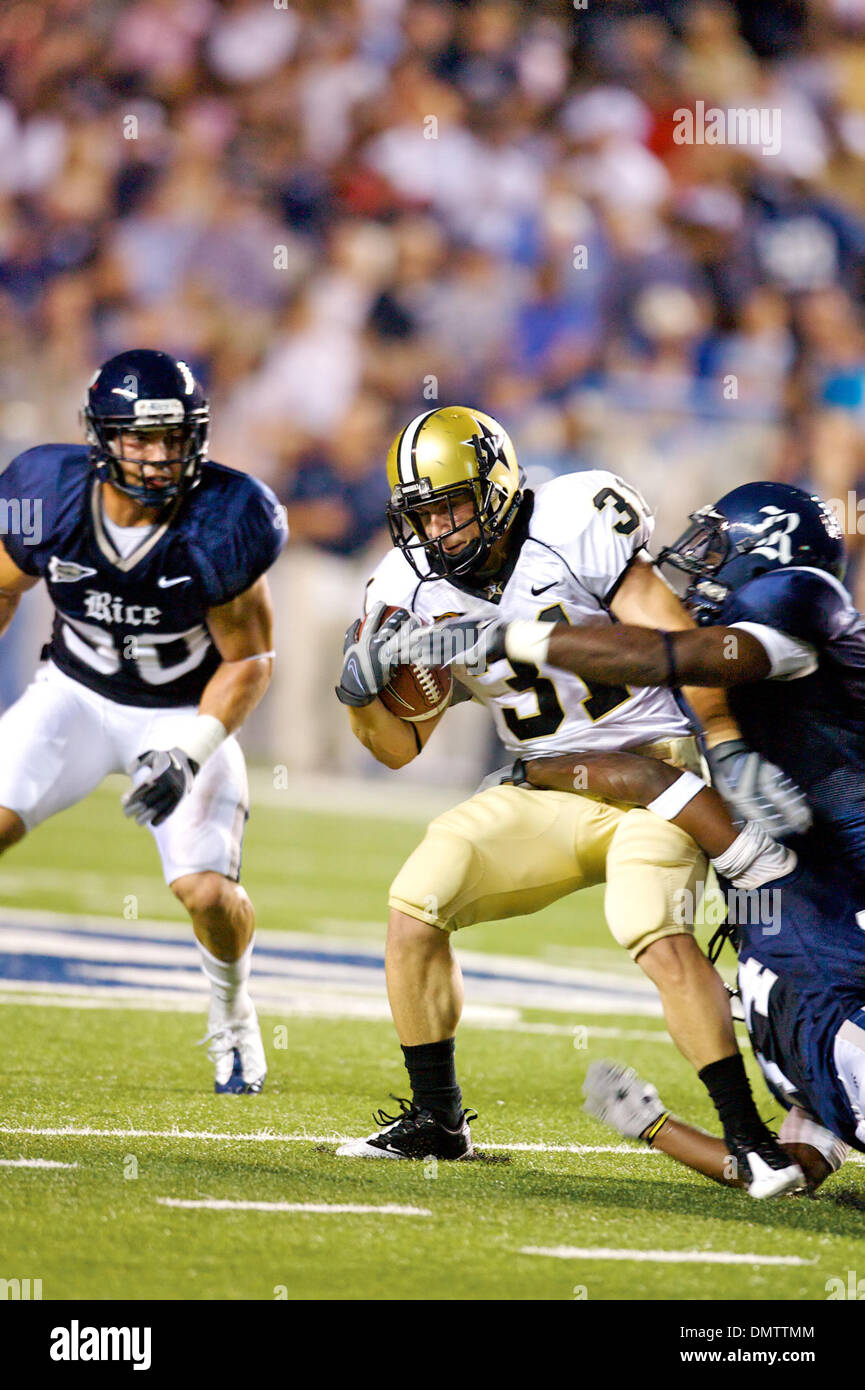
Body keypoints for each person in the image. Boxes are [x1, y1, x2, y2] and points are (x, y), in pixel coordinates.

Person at [334, 405, 807, 1193]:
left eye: (451, 506)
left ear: (497, 487)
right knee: (417, 900)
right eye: (423, 515)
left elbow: (677, 648)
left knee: (647, 923)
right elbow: (399, 747)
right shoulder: (404, 584)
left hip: (654, 770)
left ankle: (749, 1139)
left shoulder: (576, 518)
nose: (438, 529)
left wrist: (722, 741)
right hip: (549, 783)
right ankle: (436, 1120)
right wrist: (360, 697)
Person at [0, 348, 287, 1093]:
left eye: (174, 438)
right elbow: (3, 588)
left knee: (207, 893)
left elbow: (250, 660)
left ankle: (232, 1010)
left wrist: (190, 752)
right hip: (74, 693)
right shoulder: (46, 493)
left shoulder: (225, 519)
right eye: (141, 437)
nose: (159, 457)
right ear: (101, 436)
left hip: (180, 710)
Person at [445, 480, 863, 884]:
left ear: (764, 558)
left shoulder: (795, 597)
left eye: (716, 550)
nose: (698, 565)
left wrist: (509, 638)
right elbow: (647, 775)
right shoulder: (715, 667)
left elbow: (661, 657)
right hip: (815, 864)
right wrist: (534, 769)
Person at [532, 745, 862, 1193]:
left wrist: (651, 1125)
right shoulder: (782, 885)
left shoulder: (830, 1086)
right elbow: (649, 778)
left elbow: (790, 1172)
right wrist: (532, 767)